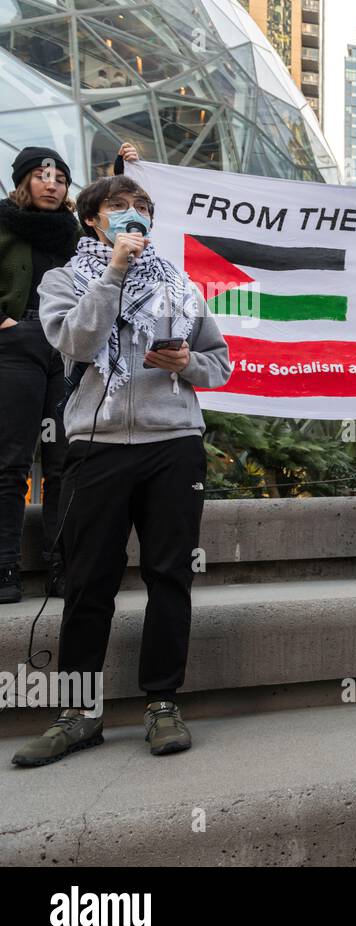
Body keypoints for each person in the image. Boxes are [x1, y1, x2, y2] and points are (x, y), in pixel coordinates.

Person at [11, 173, 231, 767]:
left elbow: (220, 364)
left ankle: (162, 704)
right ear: (94, 219)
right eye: (119, 206)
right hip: (96, 446)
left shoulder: (180, 286)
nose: (133, 214)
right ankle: (79, 715)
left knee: (168, 576)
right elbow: (77, 344)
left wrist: (188, 362)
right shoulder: (64, 280)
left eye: (142, 207)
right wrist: (113, 272)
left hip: (173, 444)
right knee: (87, 583)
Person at [0, 147, 81, 604]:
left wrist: (124, 169)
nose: (52, 184)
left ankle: (61, 566)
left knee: (64, 462)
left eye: (61, 179)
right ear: (23, 181)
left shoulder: (73, 232)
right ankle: (4, 566)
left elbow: (119, 219)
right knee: (10, 461)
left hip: (65, 348)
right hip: (17, 343)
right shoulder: (3, 221)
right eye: (41, 175)